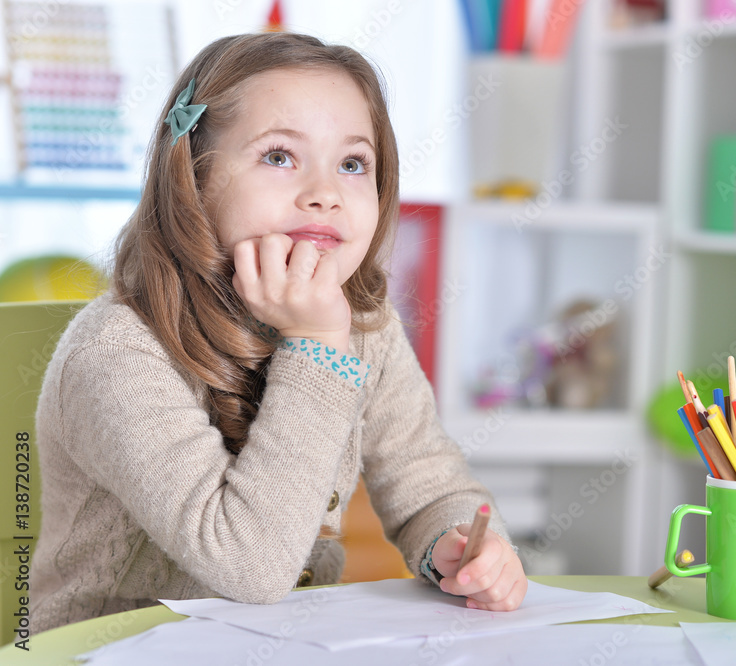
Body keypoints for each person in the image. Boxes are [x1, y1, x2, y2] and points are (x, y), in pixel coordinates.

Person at [30, 32, 527, 633]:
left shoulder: (363, 329)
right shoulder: (118, 352)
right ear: (193, 179)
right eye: (279, 156)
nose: (324, 194)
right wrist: (316, 346)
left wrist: (464, 546)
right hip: (113, 648)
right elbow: (249, 567)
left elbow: (428, 483)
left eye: (352, 164)